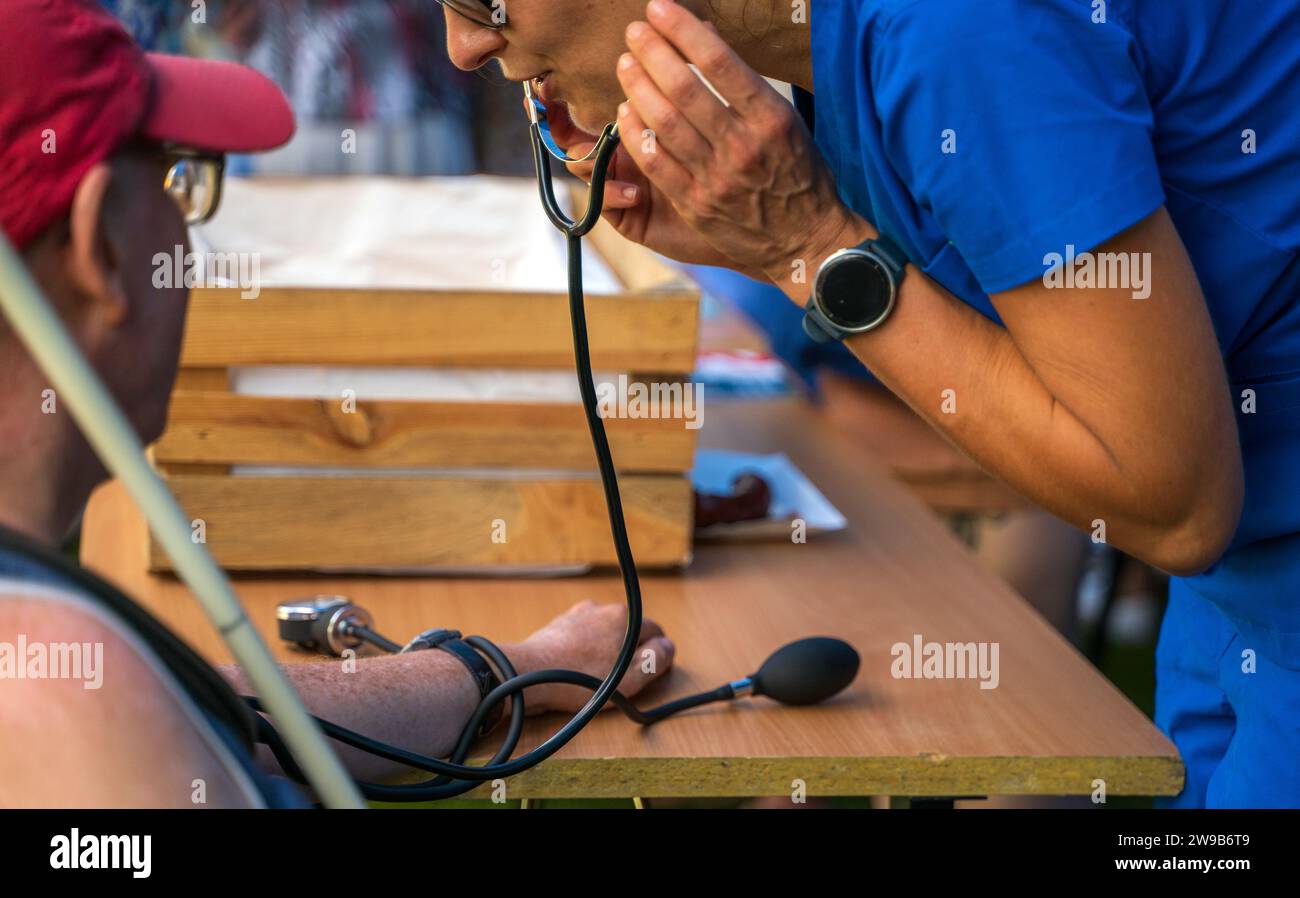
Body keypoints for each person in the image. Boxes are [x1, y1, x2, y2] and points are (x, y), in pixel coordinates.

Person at [436, 0, 1300, 807]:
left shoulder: (956, 33)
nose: (462, 45)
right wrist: (774, 245)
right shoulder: (854, 47)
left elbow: (1172, 504)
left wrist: (809, 248)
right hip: (1241, 590)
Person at [0, 0, 674, 808]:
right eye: (181, 178)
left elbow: (211, 711)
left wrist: (512, 667)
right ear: (99, 250)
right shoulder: (71, 705)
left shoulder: (70, 663)